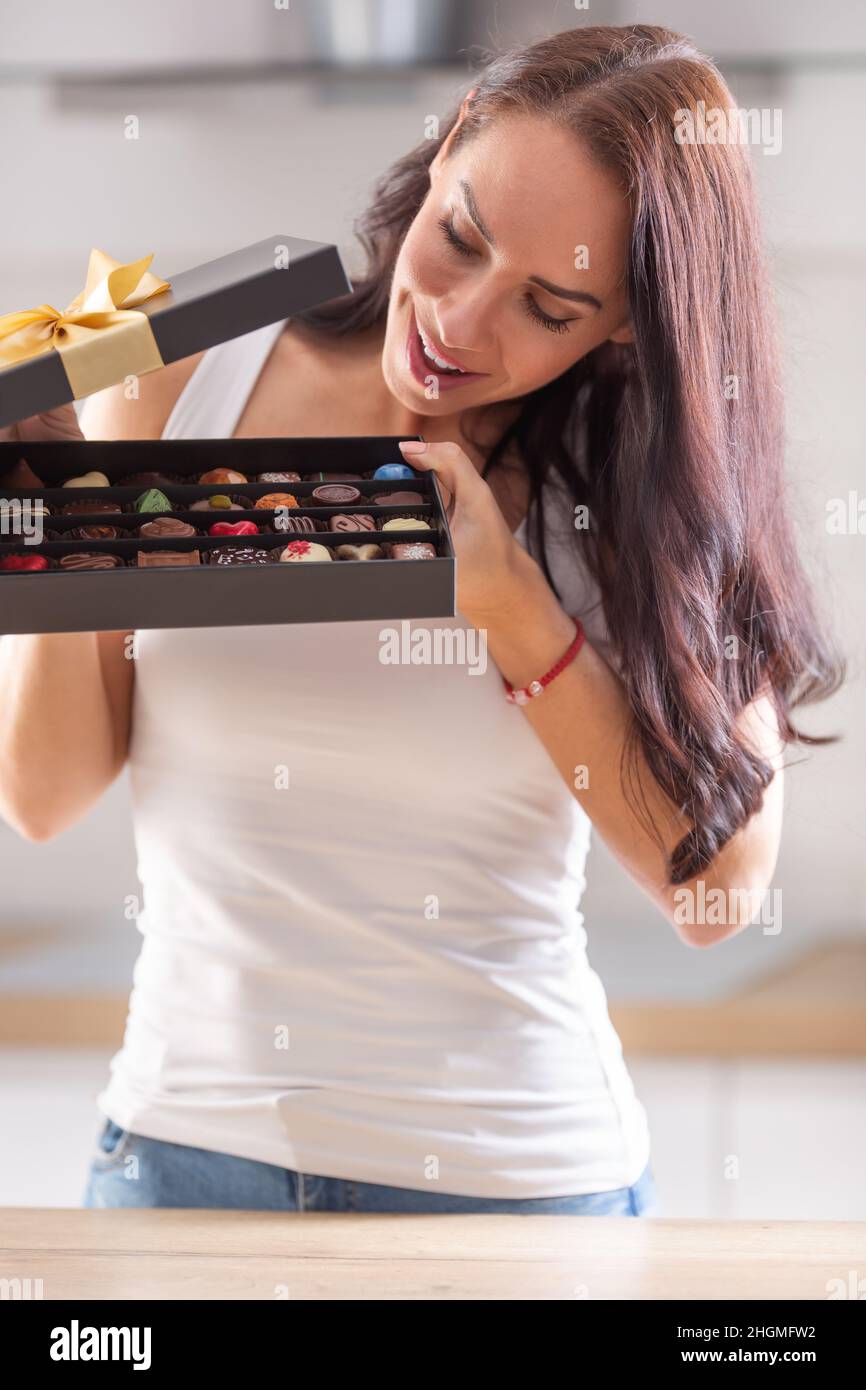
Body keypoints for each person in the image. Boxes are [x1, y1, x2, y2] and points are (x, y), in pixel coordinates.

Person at [0, 25, 841, 1215]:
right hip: (180, 1160)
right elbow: (43, 796)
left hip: (513, 1194)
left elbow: (715, 895)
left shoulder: (634, 484)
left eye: (547, 305)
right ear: (448, 145)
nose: (457, 320)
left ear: (622, 326)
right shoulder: (188, 378)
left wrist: (508, 603)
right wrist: (66, 524)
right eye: (459, 236)